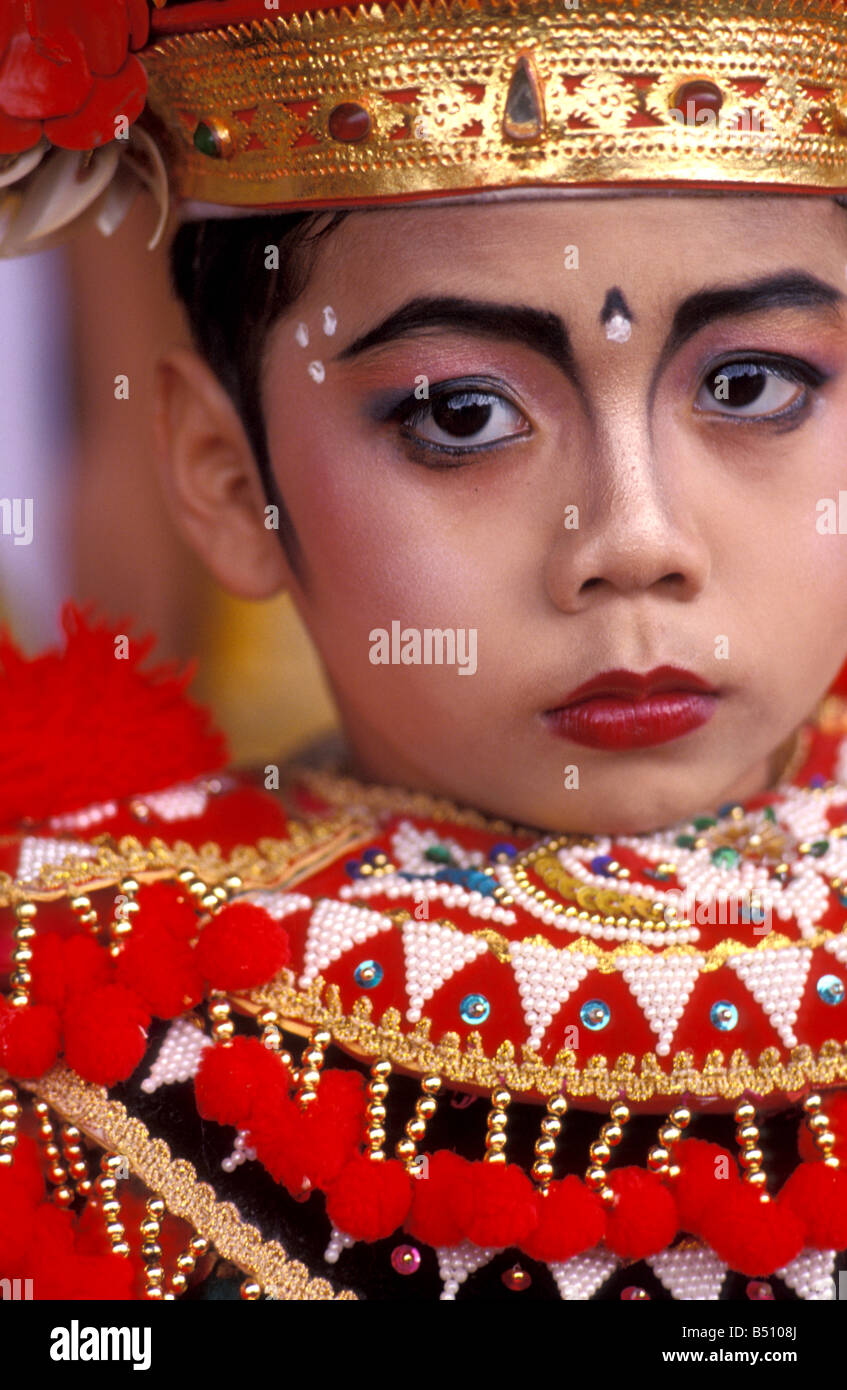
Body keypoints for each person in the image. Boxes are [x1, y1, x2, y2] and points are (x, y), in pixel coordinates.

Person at [1, 0, 847, 1304]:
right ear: (230, 481)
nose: (633, 536)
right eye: (463, 412)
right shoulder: (71, 1002)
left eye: (750, 386)